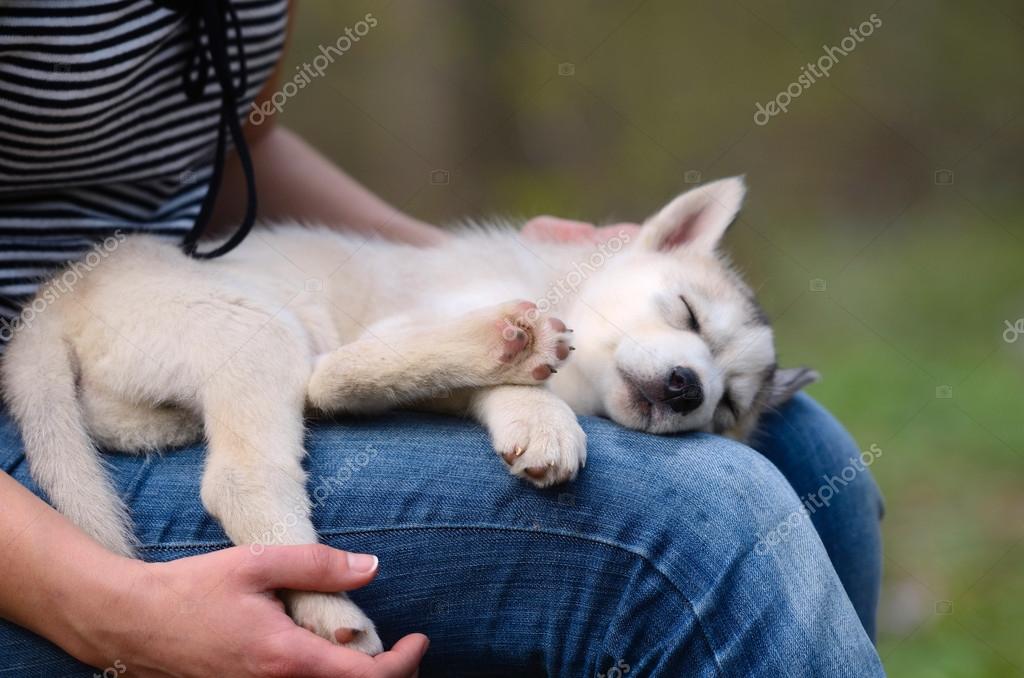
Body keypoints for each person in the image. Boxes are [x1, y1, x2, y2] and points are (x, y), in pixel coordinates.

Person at [0, 2, 885, 676]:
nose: (695, 374)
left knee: (810, 460)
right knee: (708, 519)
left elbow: (237, 148)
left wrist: (486, 275)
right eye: (687, 318)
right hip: (81, 387)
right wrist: (107, 609)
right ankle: (285, 551)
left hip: (192, 311)